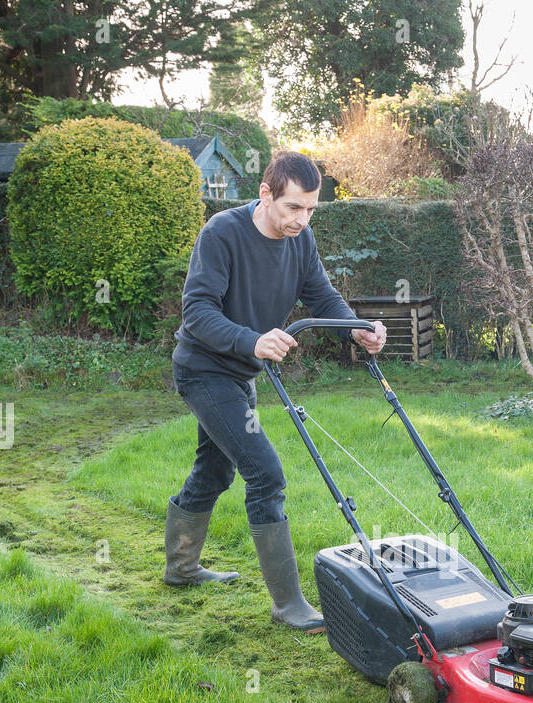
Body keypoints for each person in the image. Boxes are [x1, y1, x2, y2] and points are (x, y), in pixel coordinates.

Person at [164, 150, 387, 633]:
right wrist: (252, 340)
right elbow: (197, 312)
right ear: (265, 194)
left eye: (310, 210)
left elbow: (321, 295)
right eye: (293, 208)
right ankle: (289, 605)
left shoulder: (300, 240)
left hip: (242, 373)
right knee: (265, 473)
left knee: (215, 469)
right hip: (204, 370)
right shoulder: (222, 233)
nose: (302, 220)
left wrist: (356, 329)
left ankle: (180, 569)